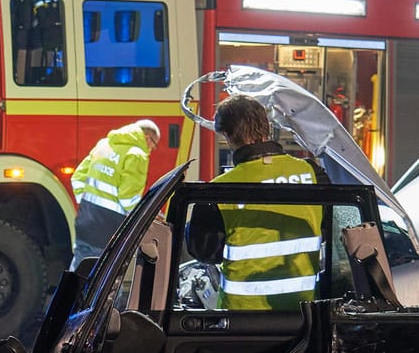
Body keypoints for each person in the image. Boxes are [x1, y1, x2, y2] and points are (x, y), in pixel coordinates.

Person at [188, 95, 326, 310]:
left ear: (227, 135)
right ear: (266, 127)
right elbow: (330, 227)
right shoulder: (312, 173)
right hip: (303, 310)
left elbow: (206, 253)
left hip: (243, 317)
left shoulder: (218, 190)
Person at [70, 119, 160, 269]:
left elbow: (77, 179)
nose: (151, 149)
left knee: (78, 270)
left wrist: (86, 203)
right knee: (101, 278)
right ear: (147, 137)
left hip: (85, 219)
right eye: (153, 145)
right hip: (107, 226)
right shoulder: (137, 154)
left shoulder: (104, 144)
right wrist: (146, 214)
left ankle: (69, 293)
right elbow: (127, 199)